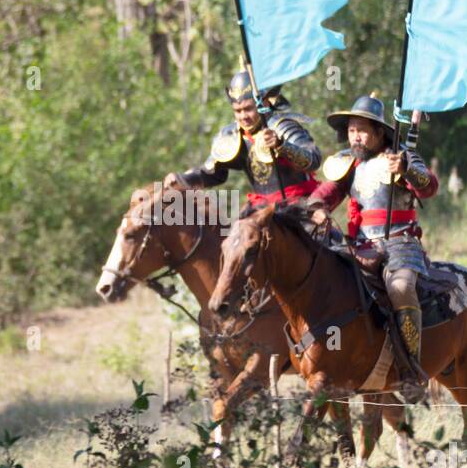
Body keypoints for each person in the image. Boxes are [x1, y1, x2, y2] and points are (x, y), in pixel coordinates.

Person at [308, 93, 439, 384]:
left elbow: (428, 186)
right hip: (358, 246)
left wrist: (405, 170)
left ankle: (410, 366)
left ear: (380, 132)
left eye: (362, 131)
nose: (355, 137)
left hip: (400, 245)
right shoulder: (349, 164)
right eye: (352, 130)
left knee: (402, 288)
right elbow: (325, 193)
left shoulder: (402, 157)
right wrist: (317, 208)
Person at [165, 69, 322, 208]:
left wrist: (281, 145)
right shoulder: (232, 135)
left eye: (248, 109)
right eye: (238, 111)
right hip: (262, 209)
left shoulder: (283, 126)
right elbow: (214, 173)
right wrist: (183, 179)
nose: (243, 116)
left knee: (324, 238)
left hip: (299, 204)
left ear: (265, 102)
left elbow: (313, 160)